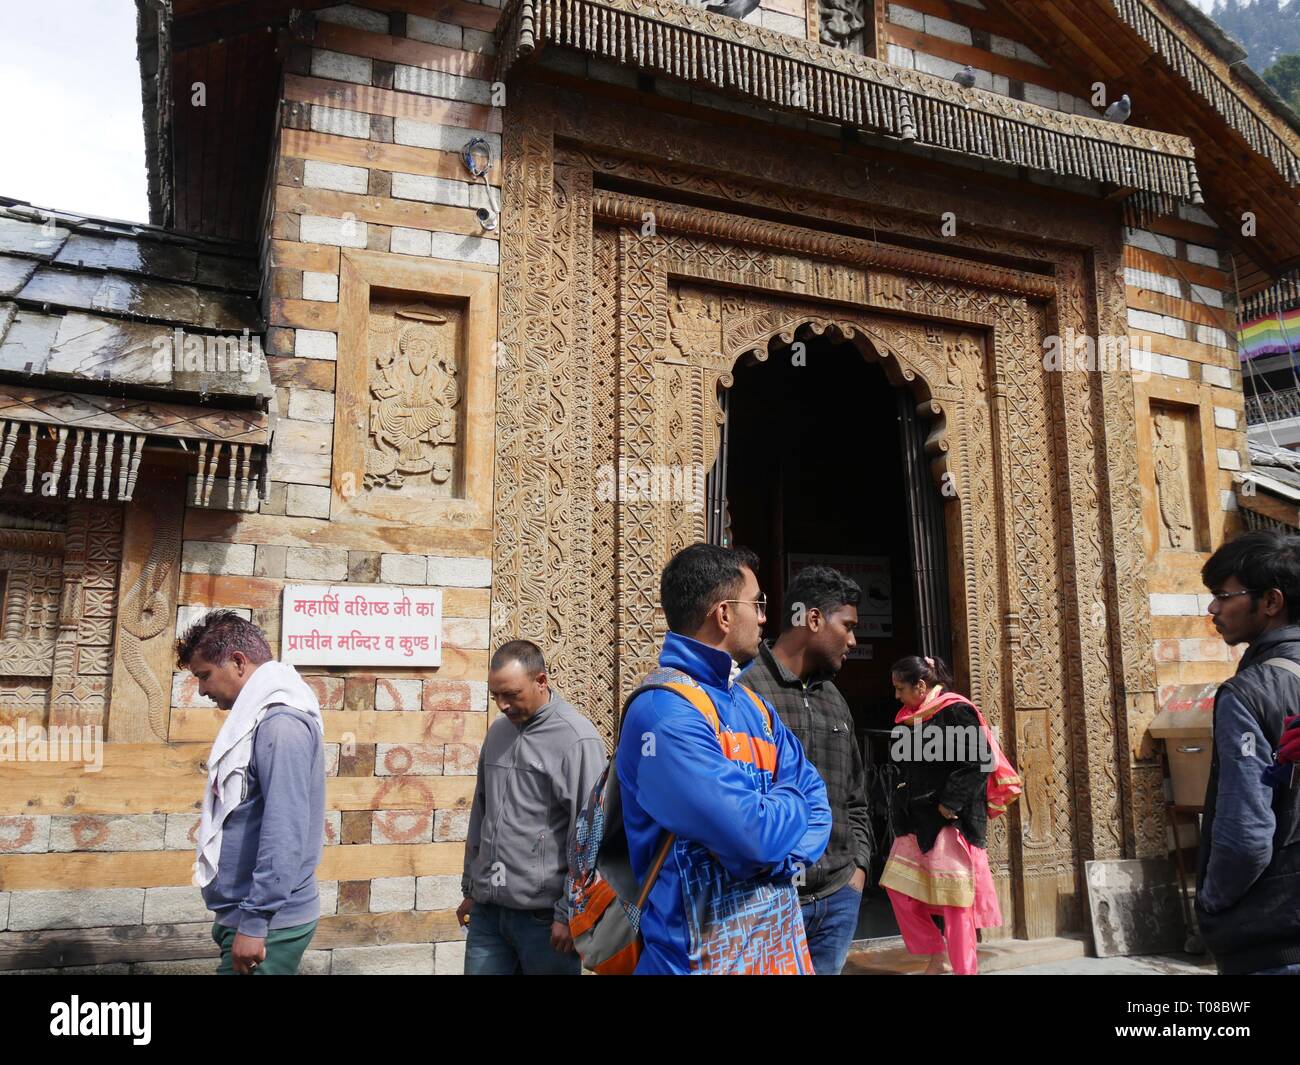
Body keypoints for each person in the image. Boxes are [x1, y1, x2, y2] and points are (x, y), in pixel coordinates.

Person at [616, 542, 832, 974]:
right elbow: (753, 837)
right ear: (725, 614)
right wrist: (777, 833)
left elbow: (819, 805)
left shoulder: (754, 707)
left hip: (775, 958)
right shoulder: (664, 713)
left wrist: (773, 854)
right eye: (758, 604)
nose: (765, 617)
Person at [179, 610, 326, 976]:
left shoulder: (281, 726)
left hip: (267, 923)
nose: (201, 690)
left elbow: (285, 830)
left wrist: (256, 921)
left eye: (204, 675)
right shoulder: (258, 720)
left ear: (239, 662)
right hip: (246, 915)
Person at [742, 564, 872, 975]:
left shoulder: (835, 700)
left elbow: (856, 795)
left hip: (838, 897)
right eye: (847, 626)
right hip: (770, 902)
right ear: (813, 619)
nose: (852, 641)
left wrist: (859, 870)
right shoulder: (746, 693)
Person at [459, 640, 606, 974]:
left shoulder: (577, 739)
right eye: (495, 695)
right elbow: (481, 813)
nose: (502, 705)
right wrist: (472, 887)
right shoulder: (498, 732)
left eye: (511, 694)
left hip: (545, 923)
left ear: (541, 681)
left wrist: (570, 912)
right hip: (488, 914)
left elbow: (590, 835)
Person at [1197, 530, 1300, 975]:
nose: (1214, 609)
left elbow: (1247, 833)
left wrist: (1213, 902)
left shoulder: (1250, 692)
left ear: (1271, 602)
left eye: (1224, 595)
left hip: (1273, 935)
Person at [879, 655, 1000, 975]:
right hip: (917, 823)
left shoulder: (956, 710)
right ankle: (939, 953)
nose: (896, 696)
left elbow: (980, 760)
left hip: (952, 823)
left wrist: (951, 803)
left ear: (921, 685)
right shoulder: (910, 718)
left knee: (956, 905)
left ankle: (964, 970)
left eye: (900, 688)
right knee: (898, 889)